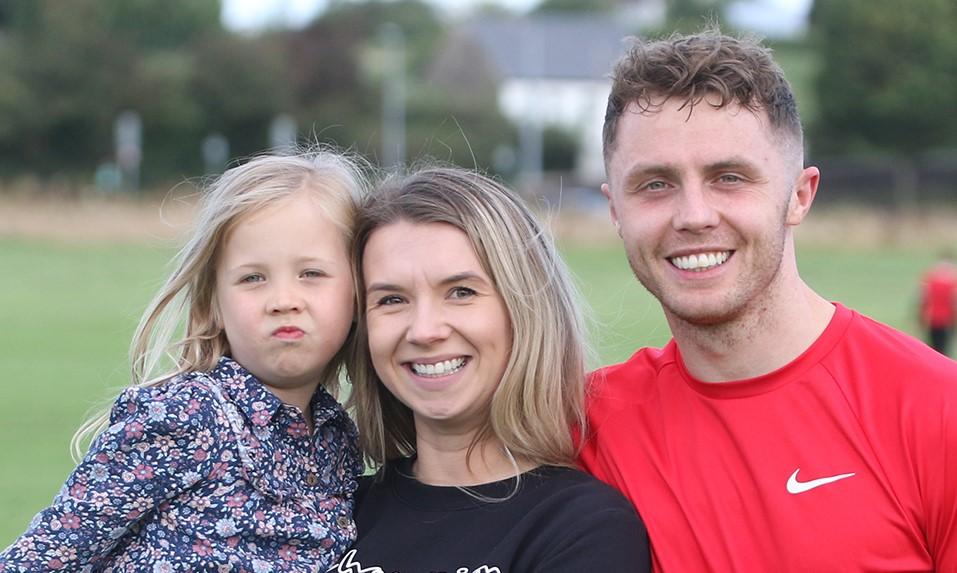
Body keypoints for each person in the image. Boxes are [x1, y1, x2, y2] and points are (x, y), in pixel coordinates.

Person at [578, 29, 957, 571]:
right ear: (615, 210)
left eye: (728, 178)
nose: (694, 215)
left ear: (799, 196)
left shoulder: (937, 414)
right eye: (655, 184)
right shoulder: (581, 428)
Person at [0, 150, 368, 572]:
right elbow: (40, 559)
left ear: (358, 293)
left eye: (312, 274)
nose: (283, 301)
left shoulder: (339, 441)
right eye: (253, 278)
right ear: (213, 303)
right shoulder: (185, 414)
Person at [327, 167, 649, 572]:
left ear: (525, 311)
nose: (424, 330)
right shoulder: (331, 515)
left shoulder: (584, 529)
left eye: (461, 292)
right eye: (392, 299)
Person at [919, 251, 957, 355]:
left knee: (932, 348)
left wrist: (921, 317)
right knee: (943, 350)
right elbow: (953, 303)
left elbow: (923, 299)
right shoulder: (953, 282)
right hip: (946, 320)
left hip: (932, 318)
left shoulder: (929, 279)